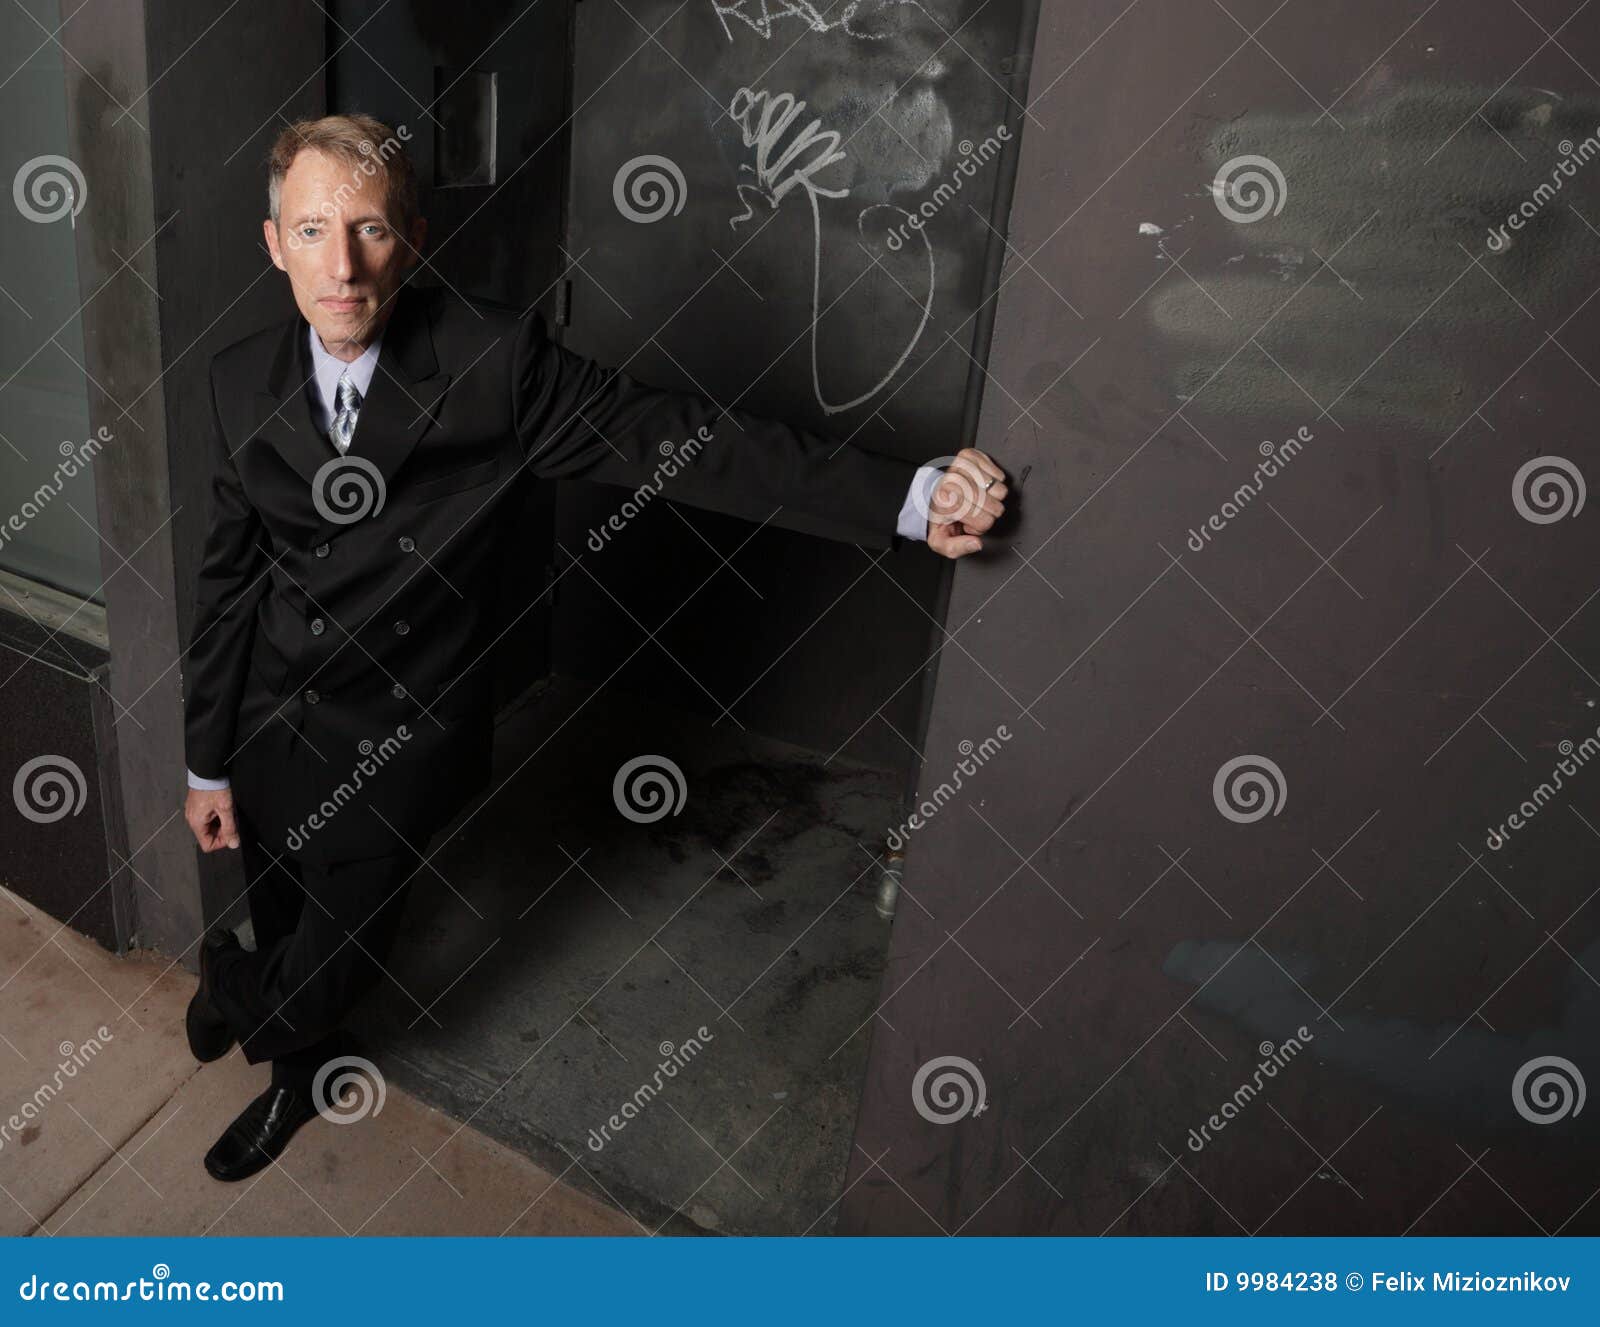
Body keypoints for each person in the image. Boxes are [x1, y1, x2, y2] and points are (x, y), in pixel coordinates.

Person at [181, 113, 1008, 1181]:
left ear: (413, 239)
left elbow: (694, 444)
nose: (341, 266)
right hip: (261, 718)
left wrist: (907, 496)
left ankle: (249, 1010)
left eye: (371, 231)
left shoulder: (492, 363)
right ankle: (286, 1041)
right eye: (311, 231)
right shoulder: (237, 379)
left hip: (391, 736)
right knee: (279, 901)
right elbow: (226, 579)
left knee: (333, 959)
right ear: (272, 242)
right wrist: (207, 755)